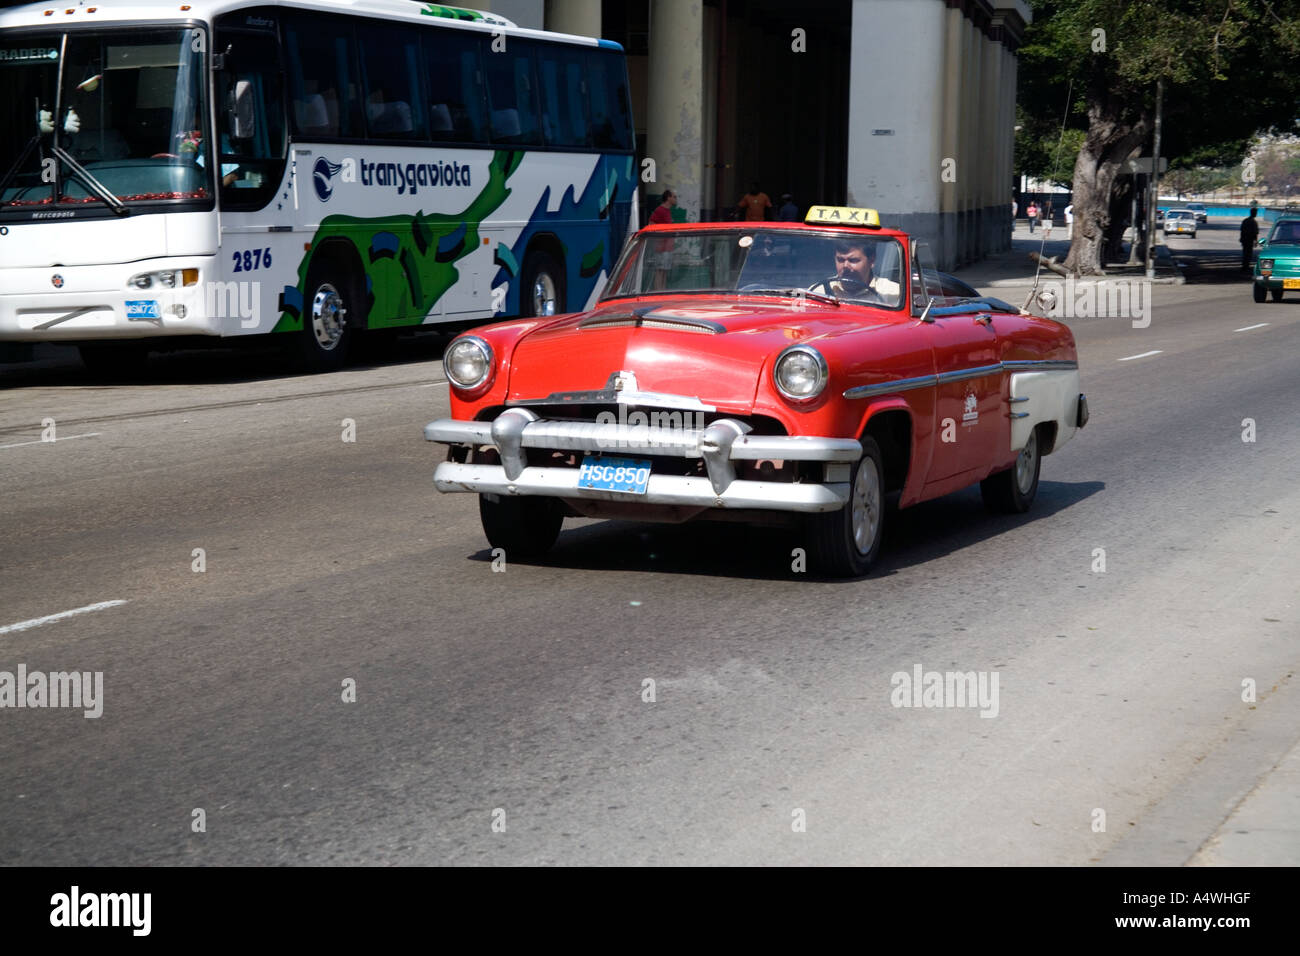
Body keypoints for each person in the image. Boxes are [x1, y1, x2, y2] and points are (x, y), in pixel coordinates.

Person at [823, 238, 900, 304]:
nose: (845, 266)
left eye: (853, 260)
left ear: (872, 261)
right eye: (840, 260)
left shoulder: (893, 295)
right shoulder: (818, 292)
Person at [1240, 208, 1260, 272]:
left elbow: (1242, 230)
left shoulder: (1245, 220)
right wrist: (1256, 241)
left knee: (1245, 252)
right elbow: (1255, 233)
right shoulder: (1254, 222)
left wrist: (1241, 238)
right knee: (1248, 253)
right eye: (1255, 212)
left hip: (1245, 239)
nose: (1256, 214)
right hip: (1249, 239)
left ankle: (1245, 266)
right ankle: (1246, 266)